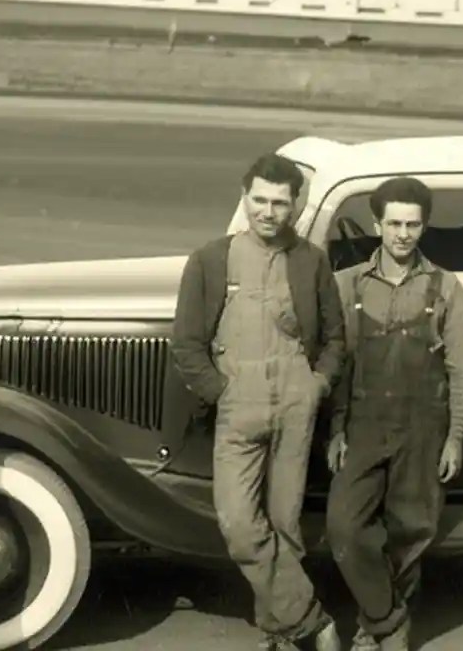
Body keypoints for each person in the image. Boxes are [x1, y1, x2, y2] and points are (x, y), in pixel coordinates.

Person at [169, 153, 345, 651]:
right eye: (259, 200)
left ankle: (278, 633)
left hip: (295, 401)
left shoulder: (311, 261)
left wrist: (318, 386)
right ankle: (312, 620)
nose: (268, 212)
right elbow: (186, 344)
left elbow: (334, 339)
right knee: (241, 526)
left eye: (280, 203)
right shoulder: (209, 259)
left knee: (286, 523)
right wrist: (221, 393)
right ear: (244, 197)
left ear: (296, 206)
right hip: (237, 405)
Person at [325, 176, 463, 651]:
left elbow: (461, 369)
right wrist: (336, 429)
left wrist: (454, 436)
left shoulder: (446, 288)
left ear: (424, 227)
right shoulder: (347, 284)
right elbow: (340, 363)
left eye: (412, 224)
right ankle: (387, 621)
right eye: (393, 223)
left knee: (411, 530)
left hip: (422, 427)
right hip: (364, 425)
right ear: (377, 224)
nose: (402, 234)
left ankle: (373, 634)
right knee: (345, 527)